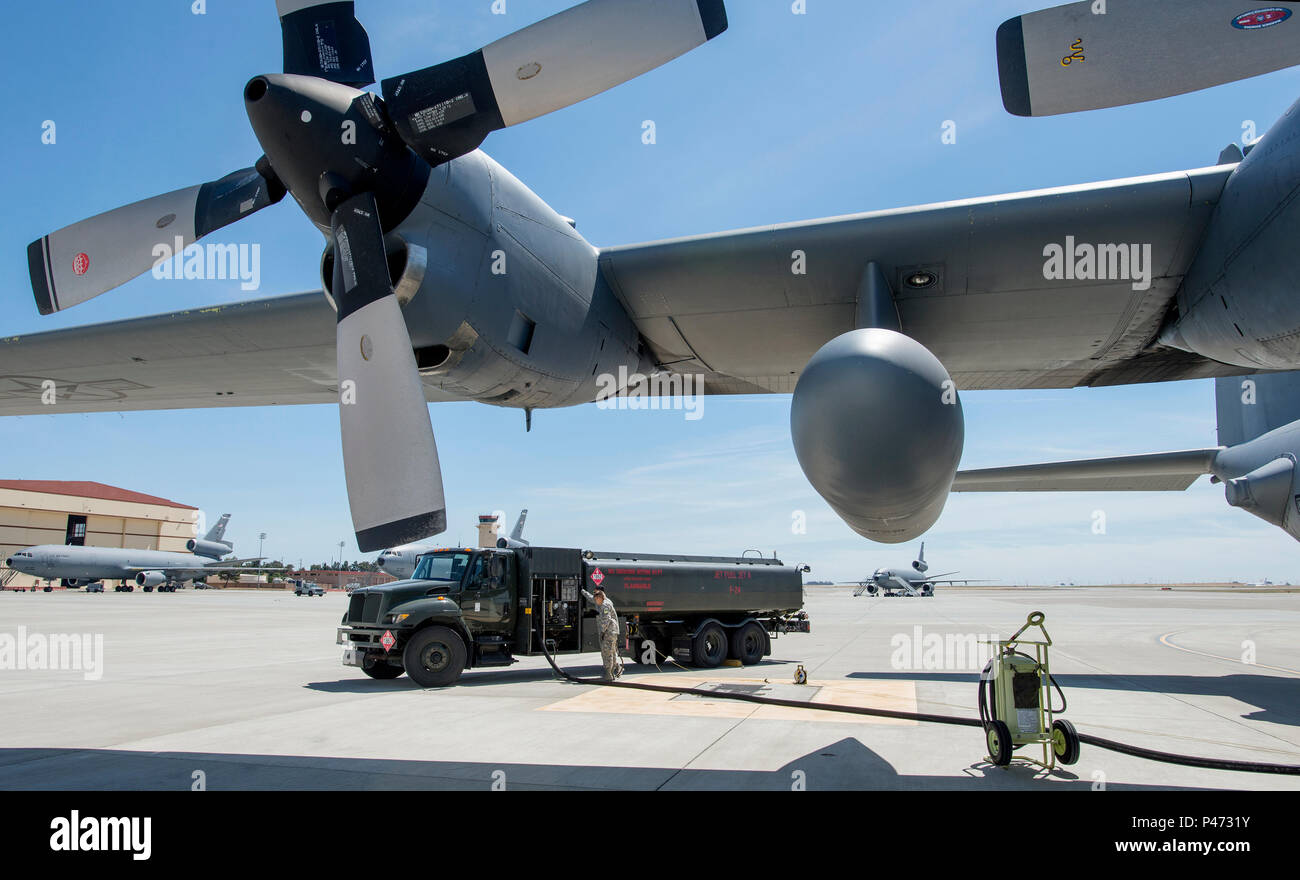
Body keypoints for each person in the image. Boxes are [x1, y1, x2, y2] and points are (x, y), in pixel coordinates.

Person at [582, 587, 623, 680]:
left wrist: (603, 632)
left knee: (606, 652)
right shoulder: (601, 601)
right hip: (611, 631)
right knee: (611, 651)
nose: (595, 601)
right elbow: (590, 597)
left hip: (609, 632)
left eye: (596, 598)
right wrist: (583, 592)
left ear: (600, 596)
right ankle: (615, 669)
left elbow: (606, 620)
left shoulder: (605, 605)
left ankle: (609, 673)